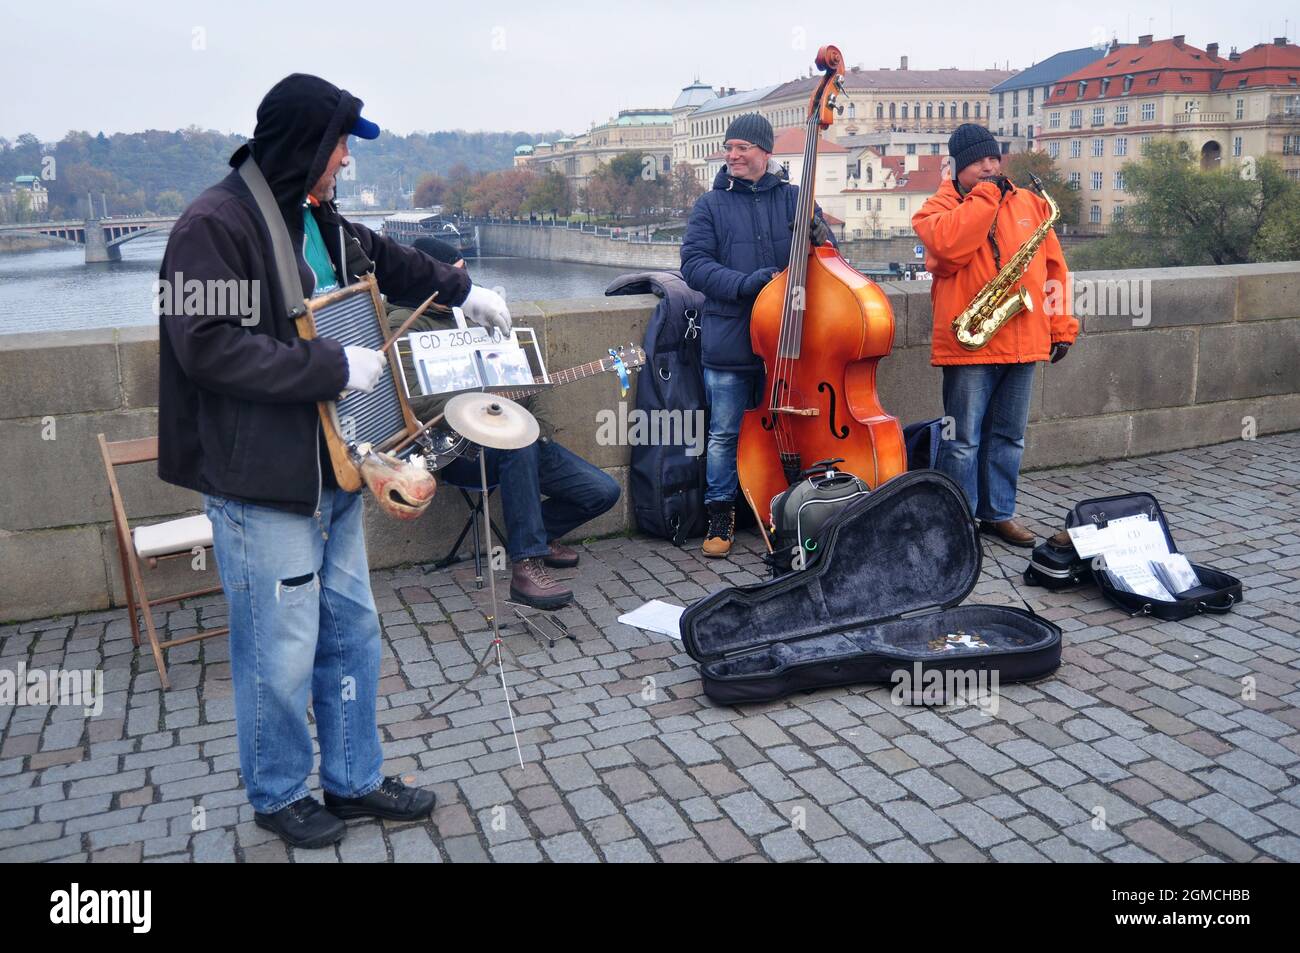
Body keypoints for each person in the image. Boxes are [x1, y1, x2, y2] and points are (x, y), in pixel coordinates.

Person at [156, 74, 511, 849]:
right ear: (307, 144)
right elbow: (206, 347)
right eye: (340, 143)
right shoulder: (211, 226)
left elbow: (391, 261)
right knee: (278, 649)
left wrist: (464, 287)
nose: (346, 159)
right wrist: (332, 368)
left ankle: (351, 778)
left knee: (351, 632)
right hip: (262, 482)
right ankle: (278, 793)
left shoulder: (319, 217)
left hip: (337, 468)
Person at [389, 236, 620, 609]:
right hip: (455, 451)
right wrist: (481, 398)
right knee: (518, 445)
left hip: (513, 439)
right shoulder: (405, 321)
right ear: (430, 275)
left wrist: (538, 428)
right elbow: (416, 400)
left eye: (466, 275)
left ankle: (537, 535)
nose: (467, 286)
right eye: (457, 276)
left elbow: (528, 386)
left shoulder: (474, 311)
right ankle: (526, 565)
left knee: (602, 491)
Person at [912, 124, 1078, 547]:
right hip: (971, 343)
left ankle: (998, 513)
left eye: (994, 159)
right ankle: (958, 519)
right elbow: (949, 250)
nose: (989, 166)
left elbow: (1055, 270)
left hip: (1023, 338)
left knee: (1009, 437)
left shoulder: (1031, 204)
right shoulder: (936, 208)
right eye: (978, 161)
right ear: (958, 165)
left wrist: (1060, 324)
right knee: (962, 440)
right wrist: (986, 197)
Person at [680, 112, 832, 557]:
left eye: (742, 148)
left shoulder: (794, 199)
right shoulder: (710, 205)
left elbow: (828, 263)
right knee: (725, 433)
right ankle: (721, 517)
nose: (733, 156)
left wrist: (821, 238)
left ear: (765, 152)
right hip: (731, 339)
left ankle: (795, 507)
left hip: (790, 342)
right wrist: (748, 285)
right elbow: (694, 266)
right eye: (729, 149)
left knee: (791, 424)